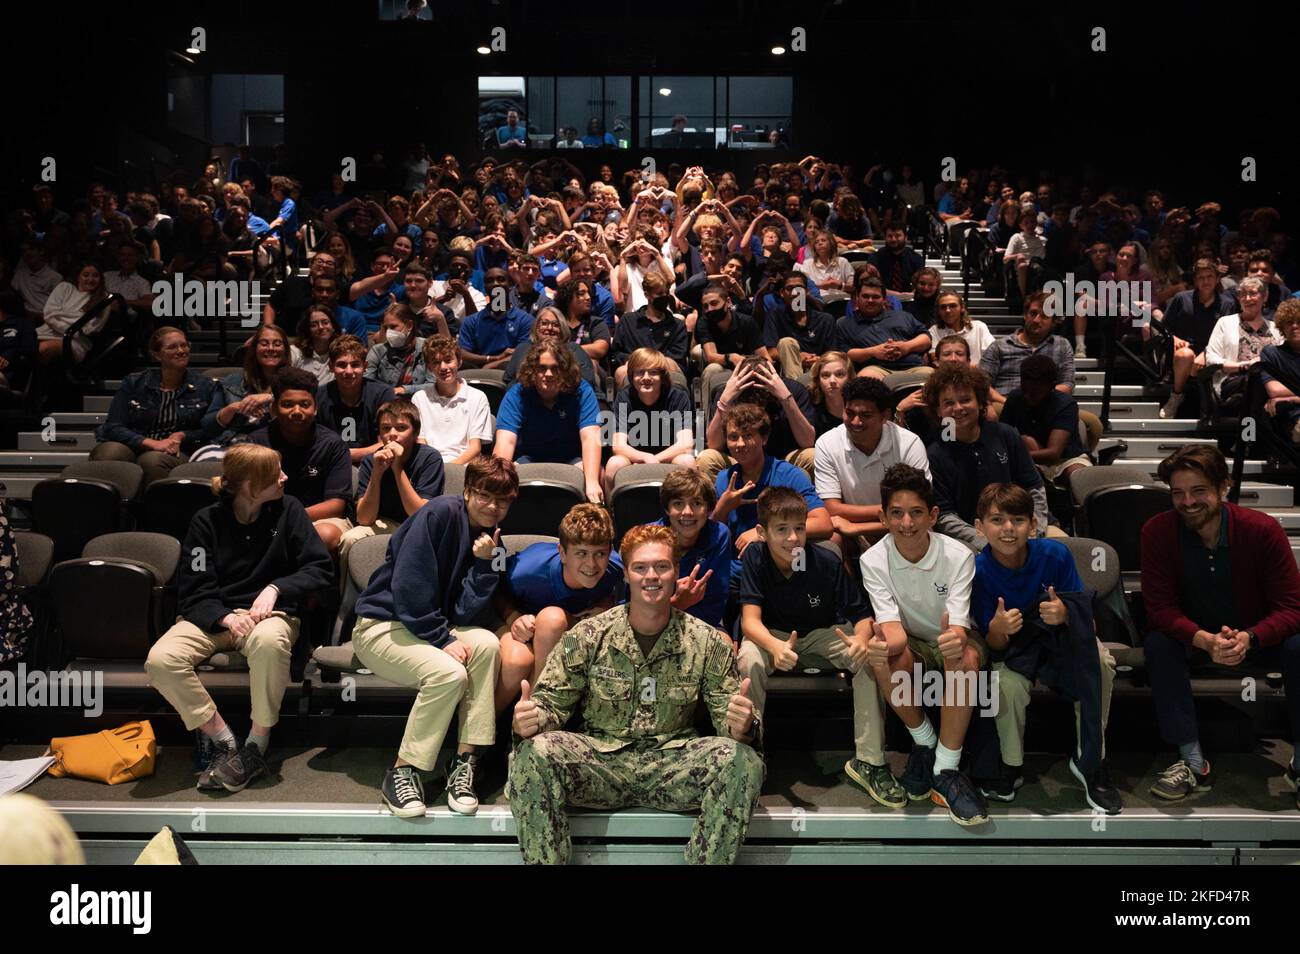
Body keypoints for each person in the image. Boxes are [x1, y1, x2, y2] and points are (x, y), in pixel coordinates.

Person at [508, 523, 764, 865]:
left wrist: (742, 725)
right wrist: (533, 717)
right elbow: (552, 703)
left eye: (662, 566)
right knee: (532, 753)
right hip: (600, 760)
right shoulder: (587, 635)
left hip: (673, 762)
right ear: (626, 574)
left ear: (676, 571)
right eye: (640, 568)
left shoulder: (706, 642)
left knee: (742, 761)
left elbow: (727, 722)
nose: (651, 576)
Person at [144, 444, 333, 793]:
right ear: (249, 483)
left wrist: (276, 587)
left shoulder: (289, 511)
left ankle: (256, 743)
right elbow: (194, 588)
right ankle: (223, 739)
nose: (285, 477)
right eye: (276, 472)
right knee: (161, 659)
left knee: (269, 641)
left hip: (270, 615)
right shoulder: (206, 521)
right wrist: (225, 618)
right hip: (214, 616)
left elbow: (320, 569)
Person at [352, 456, 519, 817]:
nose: (494, 507)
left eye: (503, 500)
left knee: (488, 645)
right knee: (449, 674)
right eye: (485, 496)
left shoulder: (493, 544)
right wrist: (442, 639)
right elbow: (408, 588)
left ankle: (463, 763)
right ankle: (402, 770)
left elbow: (464, 613)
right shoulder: (438, 514)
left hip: (430, 628)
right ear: (468, 491)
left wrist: (486, 563)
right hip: (384, 625)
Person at [1140, 445, 1300, 807]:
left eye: (1198, 491)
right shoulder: (1157, 531)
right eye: (1178, 493)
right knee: (1158, 643)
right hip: (1194, 638)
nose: (1187, 502)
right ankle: (1192, 761)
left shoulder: (1262, 530)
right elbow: (1160, 609)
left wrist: (1251, 637)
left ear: (1223, 487)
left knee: (1299, 644)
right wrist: (1205, 640)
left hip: (1256, 636)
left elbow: (1292, 607)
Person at [737, 487, 901, 807]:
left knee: (868, 659)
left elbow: (862, 616)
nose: (793, 539)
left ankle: (870, 760)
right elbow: (750, 622)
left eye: (799, 528)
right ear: (762, 532)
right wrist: (775, 646)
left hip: (823, 634)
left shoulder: (824, 560)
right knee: (749, 661)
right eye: (781, 530)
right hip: (770, 634)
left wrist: (861, 639)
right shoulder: (755, 557)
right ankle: (748, 759)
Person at [970, 483, 1120, 813]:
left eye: (1018, 520)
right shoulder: (977, 571)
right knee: (1004, 683)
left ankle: (1090, 760)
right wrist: (998, 629)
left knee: (1101, 663)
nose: (1008, 529)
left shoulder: (1055, 554)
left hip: (1060, 639)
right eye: (996, 520)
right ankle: (1010, 766)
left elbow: (1087, 624)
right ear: (980, 527)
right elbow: (992, 642)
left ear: (1033, 525)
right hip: (1016, 648)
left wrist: (1065, 613)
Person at [860, 463, 989, 826]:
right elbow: (894, 631)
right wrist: (881, 648)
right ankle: (926, 742)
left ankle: (946, 771)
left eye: (916, 512)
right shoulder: (872, 560)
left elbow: (959, 628)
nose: (907, 523)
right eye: (897, 513)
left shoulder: (959, 555)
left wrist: (954, 638)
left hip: (956, 637)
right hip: (913, 638)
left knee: (961, 658)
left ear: (932, 515)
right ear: (883, 517)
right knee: (885, 659)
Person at [496, 503, 625, 708]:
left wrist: (605, 605)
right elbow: (495, 592)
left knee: (553, 621)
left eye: (600, 554)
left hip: (570, 639)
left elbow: (620, 600)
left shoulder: (616, 569)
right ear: (563, 553)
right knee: (543, 629)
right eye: (581, 553)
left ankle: (542, 710)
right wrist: (513, 617)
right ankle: (520, 717)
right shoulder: (527, 572)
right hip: (524, 629)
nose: (591, 564)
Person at [923, 362, 1052, 552]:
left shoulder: (1006, 434)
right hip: (973, 539)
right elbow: (945, 516)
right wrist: (989, 543)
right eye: (949, 403)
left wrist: (1033, 532)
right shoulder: (935, 454)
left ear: (981, 402)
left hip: (1023, 528)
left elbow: (1034, 488)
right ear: (938, 411)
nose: (958, 408)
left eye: (965, 399)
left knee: (1060, 550)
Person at [712, 404, 832, 581]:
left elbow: (824, 524)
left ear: (764, 438)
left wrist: (763, 534)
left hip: (778, 571)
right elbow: (712, 537)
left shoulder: (790, 475)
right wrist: (722, 509)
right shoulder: (724, 479)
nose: (740, 444)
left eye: (748, 436)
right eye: (733, 437)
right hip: (734, 574)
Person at [90, 327, 223, 486]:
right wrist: (151, 443)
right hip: (135, 443)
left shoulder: (205, 386)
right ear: (156, 354)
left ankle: (155, 508)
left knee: (153, 460)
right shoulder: (134, 383)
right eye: (172, 347)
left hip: (177, 450)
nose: (181, 350)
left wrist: (182, 435)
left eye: (184, 345)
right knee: (109, 453)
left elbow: (211, 428)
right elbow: (113, 426)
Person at [815, 376, 930, 558]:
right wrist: (892, 511)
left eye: (865, 415)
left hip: (902, 527)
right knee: (830, 539)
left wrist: (857, 526)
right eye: (850, 413)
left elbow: (918, 507)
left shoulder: (908, 443)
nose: (856, 422)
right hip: (855, 534)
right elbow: (832, 509)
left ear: (885, 415)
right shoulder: (827, 443)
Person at [249, 368, 354, 554]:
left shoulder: (333, 444)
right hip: (265, 516)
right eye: (287, 404)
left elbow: (336, 505)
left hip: (318, 518)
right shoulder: (256, 442)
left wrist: (289, 518)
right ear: (274, 408)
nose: (297, 411)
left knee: (326, 534)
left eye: (305, 404)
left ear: (315, 408)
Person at [338, 398, 445, 568]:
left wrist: (397, 467)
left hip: (415, 526)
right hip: (379, 521)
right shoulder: (370, 461)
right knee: (350, 539)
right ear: (379, 435)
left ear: (416, 433)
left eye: (401, 428)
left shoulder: (430, 459)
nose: (393, 434)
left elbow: (419, 514)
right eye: (386, 429)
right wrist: (377, 473)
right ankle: (348, 595)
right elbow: (365, 518)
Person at [493, 341, 604, 503]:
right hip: (529, 458)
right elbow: (506, 442)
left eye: (555, 368)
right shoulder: (517, 394)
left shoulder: (582, 391)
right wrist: (499, 479)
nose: (549, 374)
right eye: (542, 368)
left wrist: (592, 482)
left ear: (565, 370)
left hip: (571, 459)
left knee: (597, 475)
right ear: (532, 370)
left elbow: (590, 438)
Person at [604, 348, 696, 498]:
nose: (646, 377)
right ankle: (612, 517)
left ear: (663, 376)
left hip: (669, 457)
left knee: (688, 461)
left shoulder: (678, 397)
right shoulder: (624, 397)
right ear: (632, 376)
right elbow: (618, 446)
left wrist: (654, 460)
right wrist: (644, 458)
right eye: (640, 372)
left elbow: (685, 445)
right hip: (634, 458)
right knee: (614, 464)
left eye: (653, 372)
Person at [654, 468, 732, 629]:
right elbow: (632, 607)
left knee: (724, 644)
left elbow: (716, 603)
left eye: (696, 503)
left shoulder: (720, 535)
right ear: (667, 509)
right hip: (652, 626)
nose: (687, 512)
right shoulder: (647, 540)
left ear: (709, 509)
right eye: (678, 503)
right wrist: (676, 604)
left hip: (702, 625)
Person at [1160, 258, 1238, 419]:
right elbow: (1163, 327)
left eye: (1209, 277)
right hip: (1181, 352)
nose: (1206, 281)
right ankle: (1176, 396)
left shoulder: (1228, 303)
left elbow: (1228, 335)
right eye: (1201, 278)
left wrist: (1207, 353)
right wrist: (1173, 338)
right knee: (1185, 354)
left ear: (1217, 279)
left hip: (1213, 351)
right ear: (1195, 280)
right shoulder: (1181, 298)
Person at [998, 354, 1091, 487]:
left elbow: (1054, 453)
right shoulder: (1015, 398)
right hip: (1033, 460)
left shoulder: (1065, 404)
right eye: (1025, 390)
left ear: (1052, 386)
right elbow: (1001, 436)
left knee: (1078, 475)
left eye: (1035, 393)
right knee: (1024, 449)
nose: (1028, 396)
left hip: (1067, 459)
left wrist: (1016, 455)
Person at [315, 334, 397, 464]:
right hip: (328, 465)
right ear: (331, 366)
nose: (348, 371)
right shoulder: (318, 396)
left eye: (355, 365)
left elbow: (391, 441)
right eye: (341, 365)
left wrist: (346, 455)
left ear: (365, 366)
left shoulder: (383, 394)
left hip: (376, 463)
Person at [410, 335, 493, 463]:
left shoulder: (477, 397)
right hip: (429, 466)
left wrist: (449, 471)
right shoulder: (419, 398)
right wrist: (435, 470)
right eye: (436, 362)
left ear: (459, 361)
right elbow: (422, 444)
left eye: (448, 360)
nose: (443, 367)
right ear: (429, 367)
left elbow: (475, 448)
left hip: (464, 467)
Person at [834, 275, 932, 383]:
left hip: (914, 368)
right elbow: (844, 354)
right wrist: (873, 351)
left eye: (875, 297)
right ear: (857, 298)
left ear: (884, 299)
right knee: (865, 380)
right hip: (876, 369)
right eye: (865, 296)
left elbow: (926, 338)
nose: (870, 300)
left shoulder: (902, 316)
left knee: (937, 379)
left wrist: (906, 347)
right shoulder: (844, 323)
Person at [1204, 275, 1282, 409]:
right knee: (1256, 377)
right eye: (1242, 295)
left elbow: (1284, 359)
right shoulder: (1225, 323)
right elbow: (1211, 358)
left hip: (1272, 383)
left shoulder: (1276, 328)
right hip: (1234, 382)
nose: (1247, 299)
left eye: (1252, 293)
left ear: (1265, 297)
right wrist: (1243, 366)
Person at [979, 292, 1076, 400]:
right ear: (1025, 315)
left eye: (1044, 316)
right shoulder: (999, 346)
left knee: (1089, 418)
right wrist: (1006, 402)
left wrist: (1037, 396)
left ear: (1053, 321)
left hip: (1048, 404)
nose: (1036, 320)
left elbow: (1068, 385)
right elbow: (981, 383)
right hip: (1005, 404)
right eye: (1033, 313)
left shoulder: (1062, 345)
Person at [210, 324, 291, 446]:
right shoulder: (231, 381)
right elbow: (208, 426)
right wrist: (234, 408)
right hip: (231, 443)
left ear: (285, 350)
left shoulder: (295, 381)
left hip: (274, 445)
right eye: (264, 344)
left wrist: (271, 397)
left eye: (277, 344)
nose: (271, 348)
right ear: (254, 349)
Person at [610, 270, 690, 389]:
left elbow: (677, 356)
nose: (664, 297)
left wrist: (650, 363)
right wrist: (635, 362)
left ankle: (678, 407)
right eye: (659, 294)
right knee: (622, 372)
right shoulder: (628, 321)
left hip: (665, 370)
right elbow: (617, 352)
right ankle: (623, 408)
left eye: (666, 293)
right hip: (635, 370)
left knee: (673, 370)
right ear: (647, 295)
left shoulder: (677, 325)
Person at [501, 306, 598, 389]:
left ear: (562, 329)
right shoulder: (523, 348)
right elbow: (508, 380)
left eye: (555, 325)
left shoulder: (574, 349)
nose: (550, 328)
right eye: (544, 323)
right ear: (536, 327)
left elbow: (588, 381)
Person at [36, 262, 114, 365]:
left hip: (75, 343)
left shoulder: (103, 300)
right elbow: (49, 314)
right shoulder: (65, 287)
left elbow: (89, 330)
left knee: (42, 349)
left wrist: (60, 317)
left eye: (95, 276)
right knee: (15, 347)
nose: (90, 279)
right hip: (44, 333)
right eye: (86, 275)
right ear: (78, 277)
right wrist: (76, 325)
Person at [695, 283, 764, 398]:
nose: (709, 309)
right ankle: (708, 414)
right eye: (705, 306)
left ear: (728, 302)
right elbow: (711, 356)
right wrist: (731, 357)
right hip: (722, 367)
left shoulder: (747, 322)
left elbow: (764, 356)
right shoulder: (704, 322)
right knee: (712, 369)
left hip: (747, 367)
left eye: (714, 303)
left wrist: (748, 364)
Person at [1260, 299, 1300, 443]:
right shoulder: (1271, 353)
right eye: (1289, 322)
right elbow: (1275, 391)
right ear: (1282, 326)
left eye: (1299, 321)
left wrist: (1292, 398)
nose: (1295, 326)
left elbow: (1283, 393)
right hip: (1292, 416)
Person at [365, 303, 427, 394]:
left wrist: (403, 390)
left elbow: (434, 385)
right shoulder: (378, 351)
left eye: (393, 327)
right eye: (386, 328)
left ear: (409, 325)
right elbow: (367, 383)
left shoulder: (427, 348)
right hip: (385, 401)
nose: (389, 332)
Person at [928, 291, 994, 365]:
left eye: (953, 306)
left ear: (962, 308)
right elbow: (936, 359)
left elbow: (992, 355)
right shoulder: (934, 331)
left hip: (978, 374)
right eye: (943, 307)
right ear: (938, 311)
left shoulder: (979, 327)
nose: (948, 310)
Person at [868, 225, 924, 294]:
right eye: (890, 236)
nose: (893, 239)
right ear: (885, 237)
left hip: (910, 299)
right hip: (881, 298)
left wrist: (912, 294)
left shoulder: (916, 258)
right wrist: (896, 295)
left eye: (897, 236)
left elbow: (922, 282)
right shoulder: (875, 257)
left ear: (905, 237)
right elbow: (870, 283)